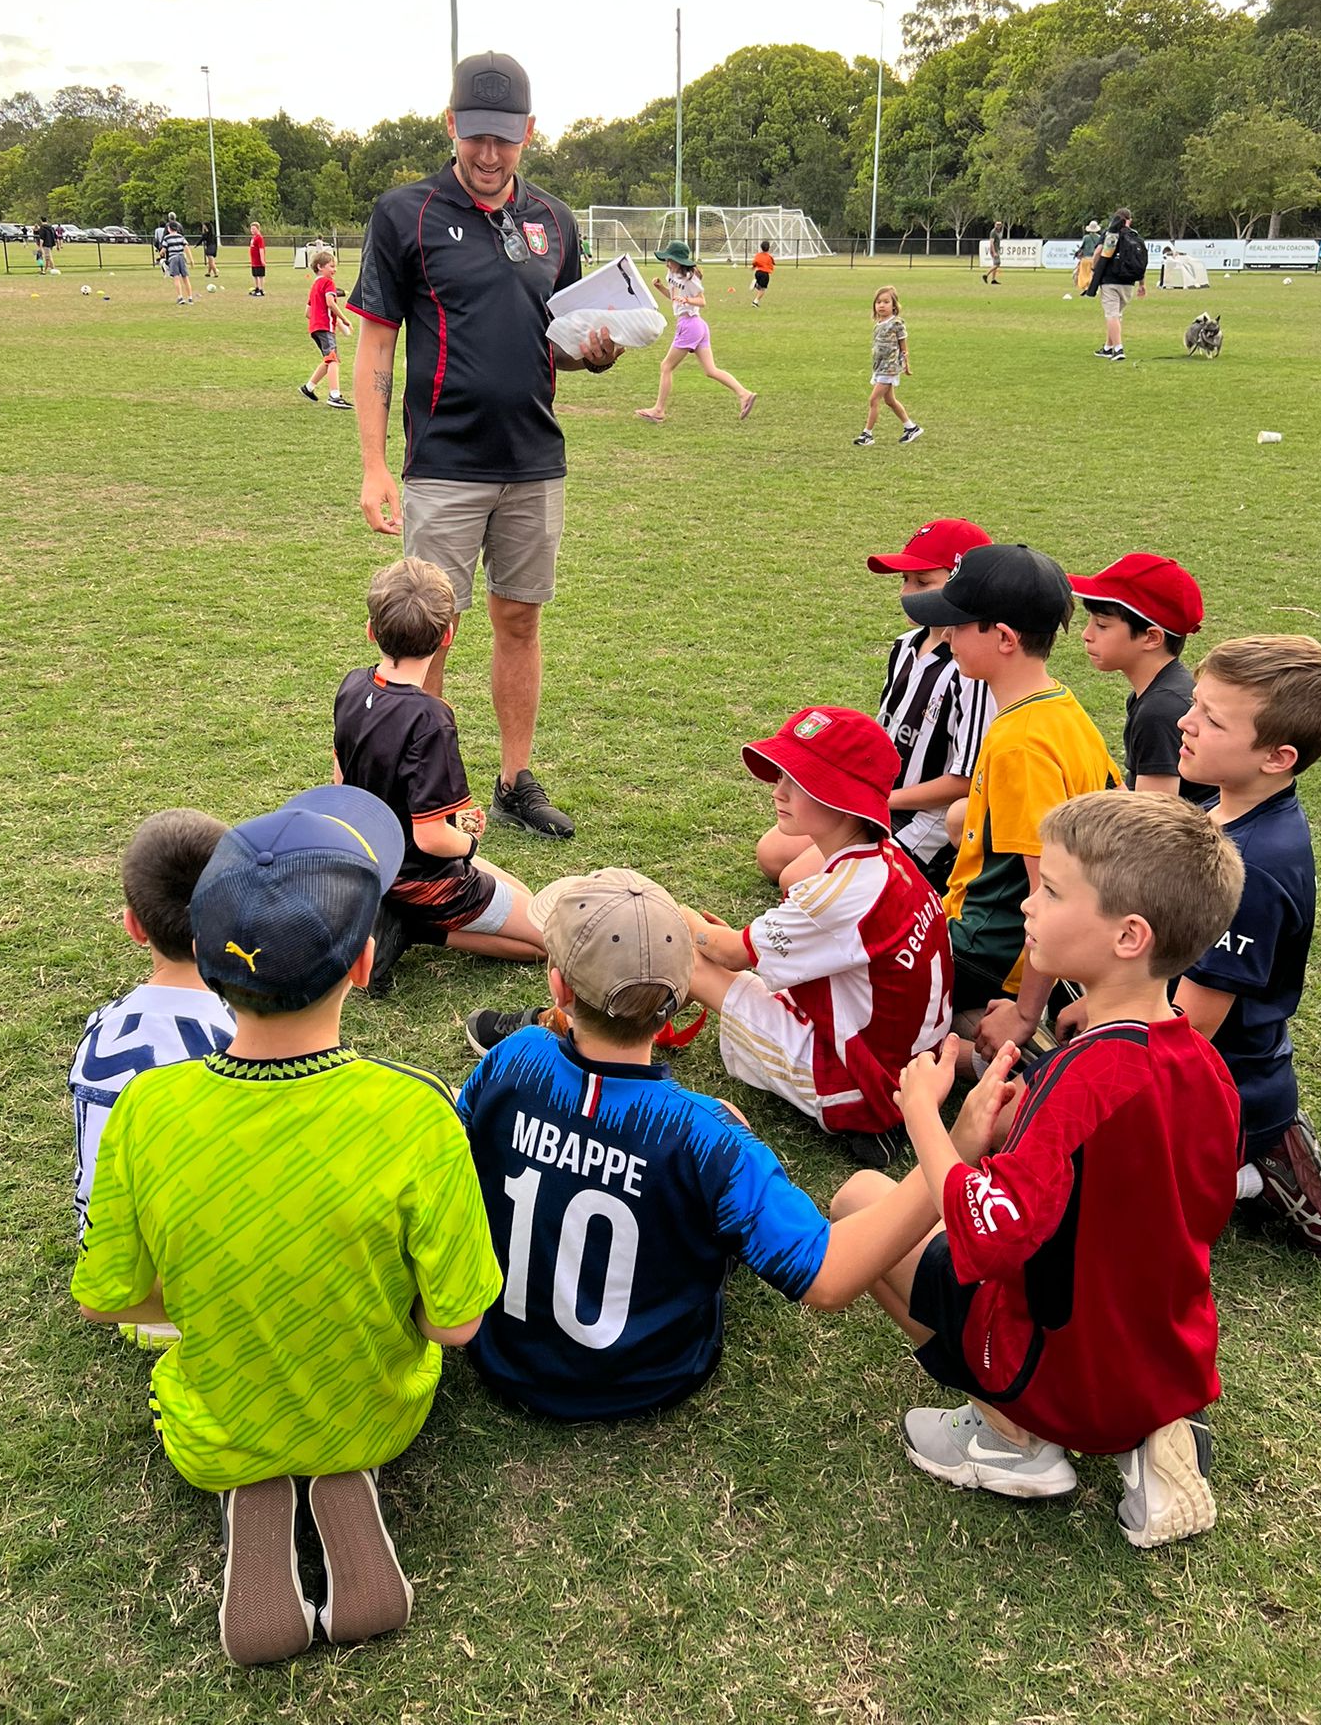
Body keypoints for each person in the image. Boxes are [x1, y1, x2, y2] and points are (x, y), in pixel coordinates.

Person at [71, 785, 502, 1668]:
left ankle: (252, 1484)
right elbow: (456, 1323)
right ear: (360, 966)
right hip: (379, 1409)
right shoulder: (413, 1112)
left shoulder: (149, 1109)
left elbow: (109, 1298)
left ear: (206, 956)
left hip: (217, 1408)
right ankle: (341, 1470)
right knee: (347, 1412)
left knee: (232, 1422)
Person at [830, 791, 1245, 1550]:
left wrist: (925, 1111)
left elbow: (987, 1236)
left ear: (1128, 935)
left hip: (1059, 1363)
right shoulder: (1204, 1064)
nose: (1027, 902)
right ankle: (1152, 1432)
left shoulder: (1085, 1077)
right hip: (1165, 1357)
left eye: (1051, 891)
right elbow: (1200, 1206)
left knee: (859, 1202)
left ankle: (1012, 1437)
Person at [457, 869, 980, 1419]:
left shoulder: (513, 1058)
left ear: (558, 987)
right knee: (722, 1130)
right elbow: (827, 1278)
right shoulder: (709, 1139)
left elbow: (466, 1144)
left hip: (501, 1352)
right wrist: (957, 1145)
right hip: (650, 1376)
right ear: (681, 1000)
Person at [349, 51, 622, 843]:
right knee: (429, 632)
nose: (490, 154)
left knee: (521, 622)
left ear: (530, 132)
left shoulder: (556, 222)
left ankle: (512, 781)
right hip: (445, 463)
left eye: (505, 138)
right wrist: (373, 465)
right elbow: (374, 349)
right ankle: (421, 793)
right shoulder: (406, 214)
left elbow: (562, 339)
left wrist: (594, 352)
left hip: (534, 460)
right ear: (451, 126)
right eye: (476, 136)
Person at [682, 706, 952, 1161]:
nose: (778, 791)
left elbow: (728, 953)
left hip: (862, 1086)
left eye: (801, 782)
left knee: (685, 957)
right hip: (908, 1067)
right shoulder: (891, 862)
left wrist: (678, 917)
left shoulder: (836, 895)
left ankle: (606, 1027)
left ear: (845, 798)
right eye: (782, 776)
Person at [1172, 635, 1321, 1258]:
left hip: (1232, 1081)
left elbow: (1190, 1029)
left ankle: (1258, 1169)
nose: (1184, 721)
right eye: (1195, 703)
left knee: (1085, 1168)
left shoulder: (1250, 872)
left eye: (1211, 719)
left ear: (1277, 758)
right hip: (1211, 1053)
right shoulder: (1218, 801)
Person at [899, 543, 1120, 1057]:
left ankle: (1002, 1034)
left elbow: (1050, 892)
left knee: (845, 967)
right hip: (993, 938)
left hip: (987, 952)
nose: (947, 635)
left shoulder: (1020, 742)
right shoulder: (1061, 707)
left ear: (1003, 637)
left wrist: (1023, 1012)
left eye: (958, 623)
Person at [332, 557, 547, 979]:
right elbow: (431, 837)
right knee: (551, 941)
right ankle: (416, 924)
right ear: (447, 634)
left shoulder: (352, 685)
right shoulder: (430, 718)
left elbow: (341, 786)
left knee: (532, 901)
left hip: (377, 866)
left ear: (371, 631)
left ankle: (405, 918)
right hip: (426, 879)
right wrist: (468, 842)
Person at [757, 518, 993, 893]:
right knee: (771, 855)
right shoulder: (904, 646)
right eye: (905, 581)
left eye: (923, 582)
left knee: (795, 883)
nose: (907, 592)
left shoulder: (974, 669)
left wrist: (887, 799)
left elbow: (965, 780)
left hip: (923, 818)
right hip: (880, 802)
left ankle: (932, 875)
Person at [67, 809, 233, 1242]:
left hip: (127, 1279)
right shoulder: (247, 1037)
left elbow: (97, 1194)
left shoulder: (102, 1032)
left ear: (134, 926)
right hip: (226, 1268)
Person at [1066, 552, 1207, 797]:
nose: (1086, 634)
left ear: (1151, 637)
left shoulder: (1160, 710)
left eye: (1102, 625)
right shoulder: (1161, 692)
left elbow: (1152, 819)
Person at [636, 241, 757, 424]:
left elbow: (702, 302)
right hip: (698, 326)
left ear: (679, 261)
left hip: (690, 325)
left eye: (670, 260)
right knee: (710, 370)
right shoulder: (671, 274)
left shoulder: (691, 279)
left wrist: (687, 300)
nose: (667, 263)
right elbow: (674, 298)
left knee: (666, 366)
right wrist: (659, 287)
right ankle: (745, 394)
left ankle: (659, 410)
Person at [854, 284, 923, 447]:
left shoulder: (896, 323)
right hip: (880, 367)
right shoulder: (878, 324)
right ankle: (911, 427)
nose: (881, 305)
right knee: (890, 400)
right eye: (878, 302)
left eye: (886, 302)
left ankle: (867, 434)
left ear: (894, 305)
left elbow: (903, 346)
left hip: (890, 368)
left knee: (873, 400)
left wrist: (906, 364)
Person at [1086, 207, 1147, 360]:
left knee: (1112, 315)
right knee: (1116, 315)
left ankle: (1118, 349)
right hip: (1129, 283)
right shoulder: (1135, 236)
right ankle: (1108, 347)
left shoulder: (1110, 234)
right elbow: (1141, 262)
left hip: (1110, 281)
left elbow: (1098, 252)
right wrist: (1142, 284)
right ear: (1129, 220)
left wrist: (1094, 269)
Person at [300, 247, 354, 409]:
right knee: (333, 360)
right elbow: (330, 303)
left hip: (316, 328)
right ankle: (334, 395)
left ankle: (308, 387)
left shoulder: (315, 285)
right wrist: (344, 320)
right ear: (320, 267)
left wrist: (330, 321)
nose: (334, 270)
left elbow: (308, 312)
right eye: (331, 266)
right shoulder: (328, 282)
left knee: (329, 359)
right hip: (324, 327)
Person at [162, 212, 194, 305]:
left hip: (173, 258)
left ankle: (180, 297)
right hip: (181, 257)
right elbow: (186, 247)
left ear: (168, 228)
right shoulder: (181, 237)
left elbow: (163, 250)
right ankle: (190, 298)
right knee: (186, 278)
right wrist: (191, 259)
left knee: (176, 278)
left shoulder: (167, 238)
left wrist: (161, 253)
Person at [1073, 219, 1101, 295]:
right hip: (1095, 259)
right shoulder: (1099, 237)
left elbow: (1082, 247)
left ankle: (1086, 288)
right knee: (1092, 274)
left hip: (1085, 259)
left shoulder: (1086, 237)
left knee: (1084, 274)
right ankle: (1093, 288)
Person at [750, 240, 774, 307]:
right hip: (764, 274)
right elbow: (772, 264)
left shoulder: (758, 255)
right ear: (769, 248)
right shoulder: (769, 257)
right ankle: (755, 302)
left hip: (757, 272)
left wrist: (754, 267)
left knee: (760, 287)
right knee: (763, 289)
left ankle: (756, 284)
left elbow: (755, 262)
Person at [248, 218, 266, 298]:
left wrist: (262, 260)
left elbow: (261, 249)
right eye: (251, 228)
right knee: (255, 275)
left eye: (253, 229)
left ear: (257, 229)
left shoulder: (259, 238)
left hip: (258, 260)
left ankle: (261, 290)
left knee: (260, 275)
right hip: (254, 260)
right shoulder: (253, 237)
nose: (252, 230)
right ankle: (257, 288)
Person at [983, 220, 1003, 286]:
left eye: (999, 224)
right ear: (995, 225)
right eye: (997, 224)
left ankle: (993, 280)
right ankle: (986, 275)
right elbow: (991, 243)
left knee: (995, 264)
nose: (998, 226)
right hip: (994, 250)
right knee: (997, 264)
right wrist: (994, 252)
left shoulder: (999, 232)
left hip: (997, 249)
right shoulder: (993, 232)